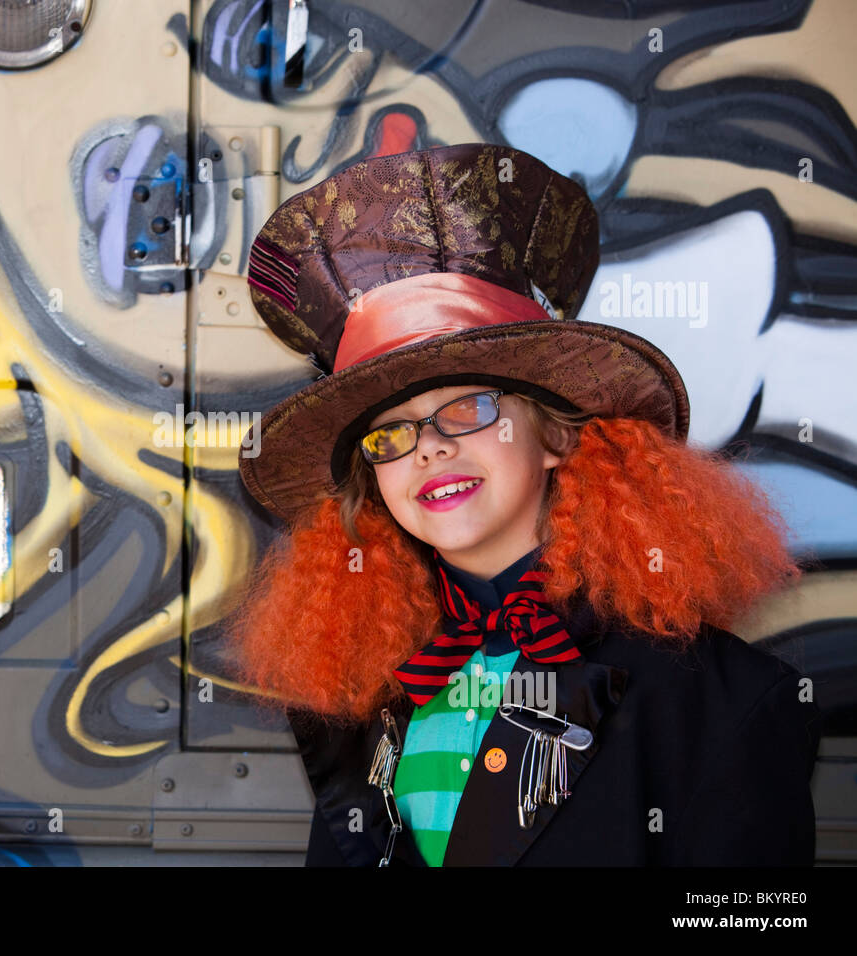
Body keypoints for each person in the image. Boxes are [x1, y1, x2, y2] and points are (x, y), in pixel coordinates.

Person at [223, 143, 823, 866]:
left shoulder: (729, 703)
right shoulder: (363, 695)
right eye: (389, 434)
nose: (428, 448)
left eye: (469, 408)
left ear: (555, 440)